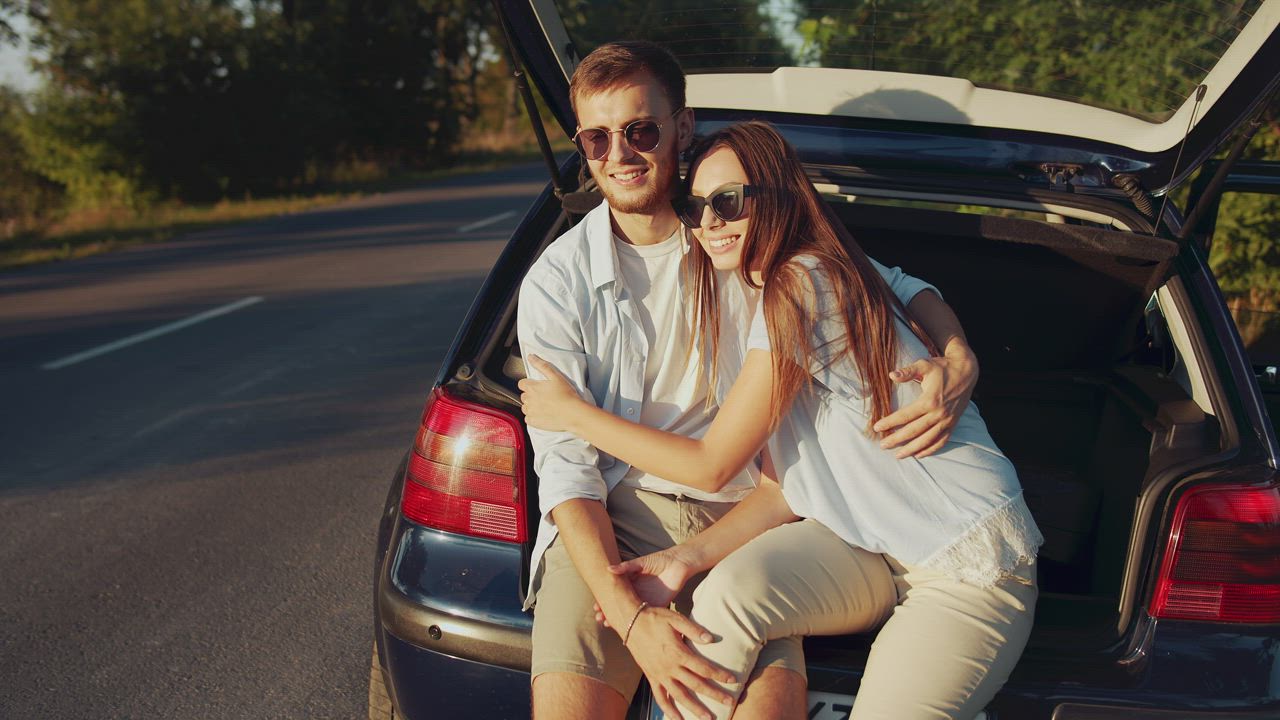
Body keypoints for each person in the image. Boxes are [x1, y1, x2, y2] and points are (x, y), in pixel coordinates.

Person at [517, 42, 982, 720]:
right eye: (596, 137)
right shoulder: (556, 282)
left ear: (681, 126)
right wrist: (634, 623)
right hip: (613, 515)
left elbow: (893, 287)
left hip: (744, 521)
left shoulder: (735, 223)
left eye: (640, 130)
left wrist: (959, 354)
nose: (619, 153)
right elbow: (567, 476)